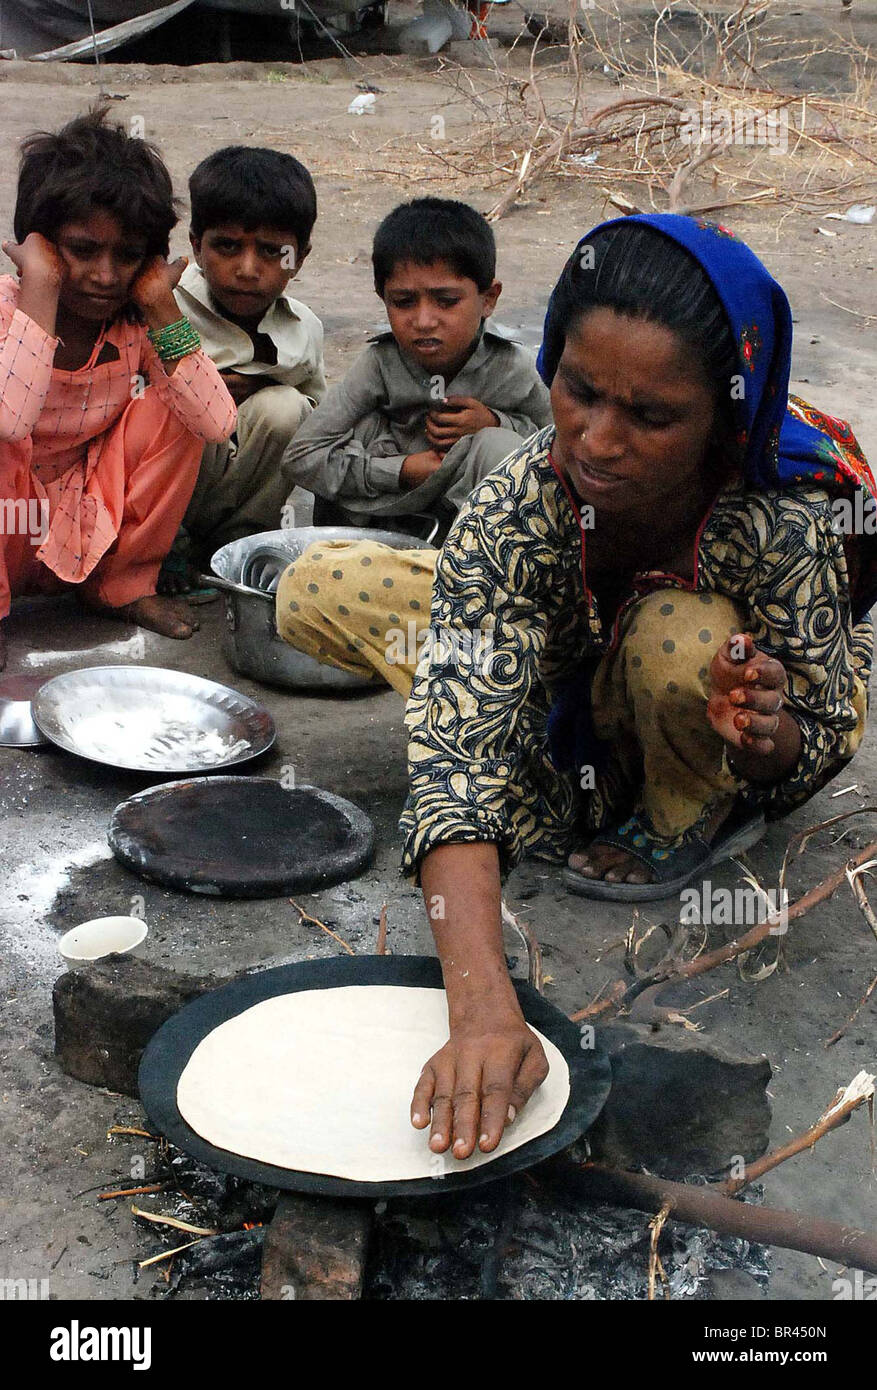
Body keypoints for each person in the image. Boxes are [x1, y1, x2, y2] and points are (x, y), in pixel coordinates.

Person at [279, 215, 875, 1158]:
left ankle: (676, 815)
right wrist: (482, 1009)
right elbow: (457, 766)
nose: (596, 441)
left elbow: (826, 725)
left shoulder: (784, 519)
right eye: (578, 391)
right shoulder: (524, 495)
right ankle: (531, 717)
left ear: (724, 415)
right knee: (319, 585)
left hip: (676, 685)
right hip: (569, 665)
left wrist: (765, 736)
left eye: (650, 416)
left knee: (678, 640)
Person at [0, 107, 236, 669]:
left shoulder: (137, 322)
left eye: (127, 256)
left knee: (176, 403)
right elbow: (12, 421)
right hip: (9, 518)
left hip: (82, 517)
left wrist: (159, 305)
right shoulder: (9, 308)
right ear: (39, 242)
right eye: (82, 250)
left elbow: (217, 423)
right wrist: (41, 290)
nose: (106, 277)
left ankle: (121, 585)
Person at [280, 197, 551, 543]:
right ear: (383, 298)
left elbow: (561, 456)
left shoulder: (513, 368)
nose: (423, 321)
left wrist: (496, 422)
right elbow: (301, 457)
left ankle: (480, 573)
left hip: (467, 534)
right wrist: (400, 471)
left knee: (500, 447)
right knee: (358, 429)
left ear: (489, 298)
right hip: (376, 523)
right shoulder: (380, 364)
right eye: (404, 302)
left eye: (446, 301)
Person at [167, 146, 324, 580]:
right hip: (168, 489)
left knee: (288, 408)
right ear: (197, 247)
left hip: (242, 487)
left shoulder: (303, 329)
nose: (248, 269)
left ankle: (236, 547)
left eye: (273, 252)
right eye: (228, 247)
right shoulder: (166, 306)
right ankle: (164, 547)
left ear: (300, 258)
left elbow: (323, 426)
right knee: (185, 403)